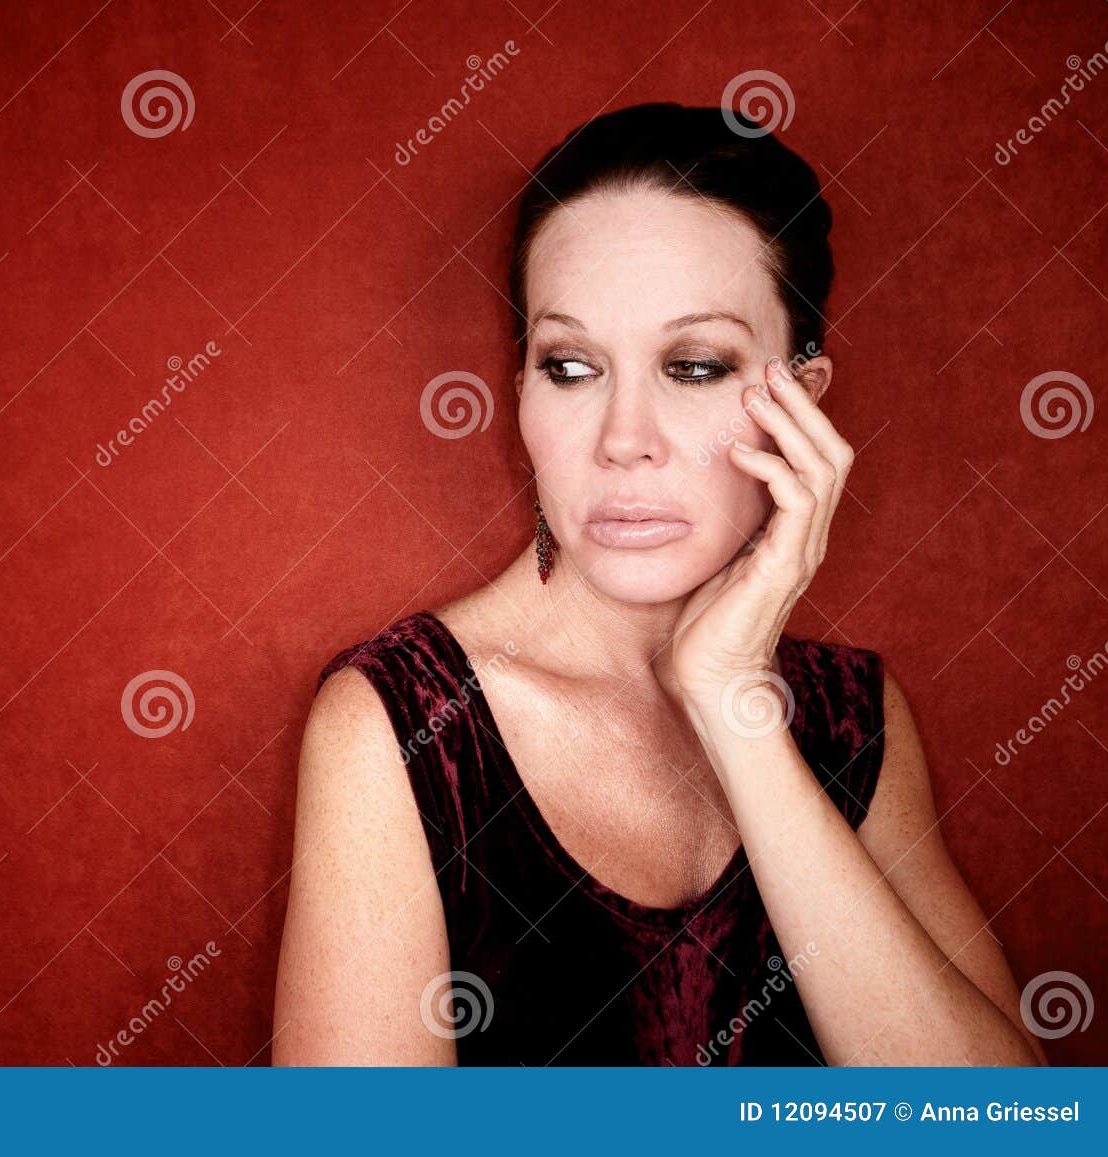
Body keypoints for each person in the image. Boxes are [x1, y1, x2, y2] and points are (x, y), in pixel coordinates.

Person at [272, 102, 1048, 1066]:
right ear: (520, 391)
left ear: (800, 406)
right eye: (569, 365)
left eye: (693, 365)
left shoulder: (852, 718)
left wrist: (730, 700)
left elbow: (997, 1122)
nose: (621, 437)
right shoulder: (400, 723)